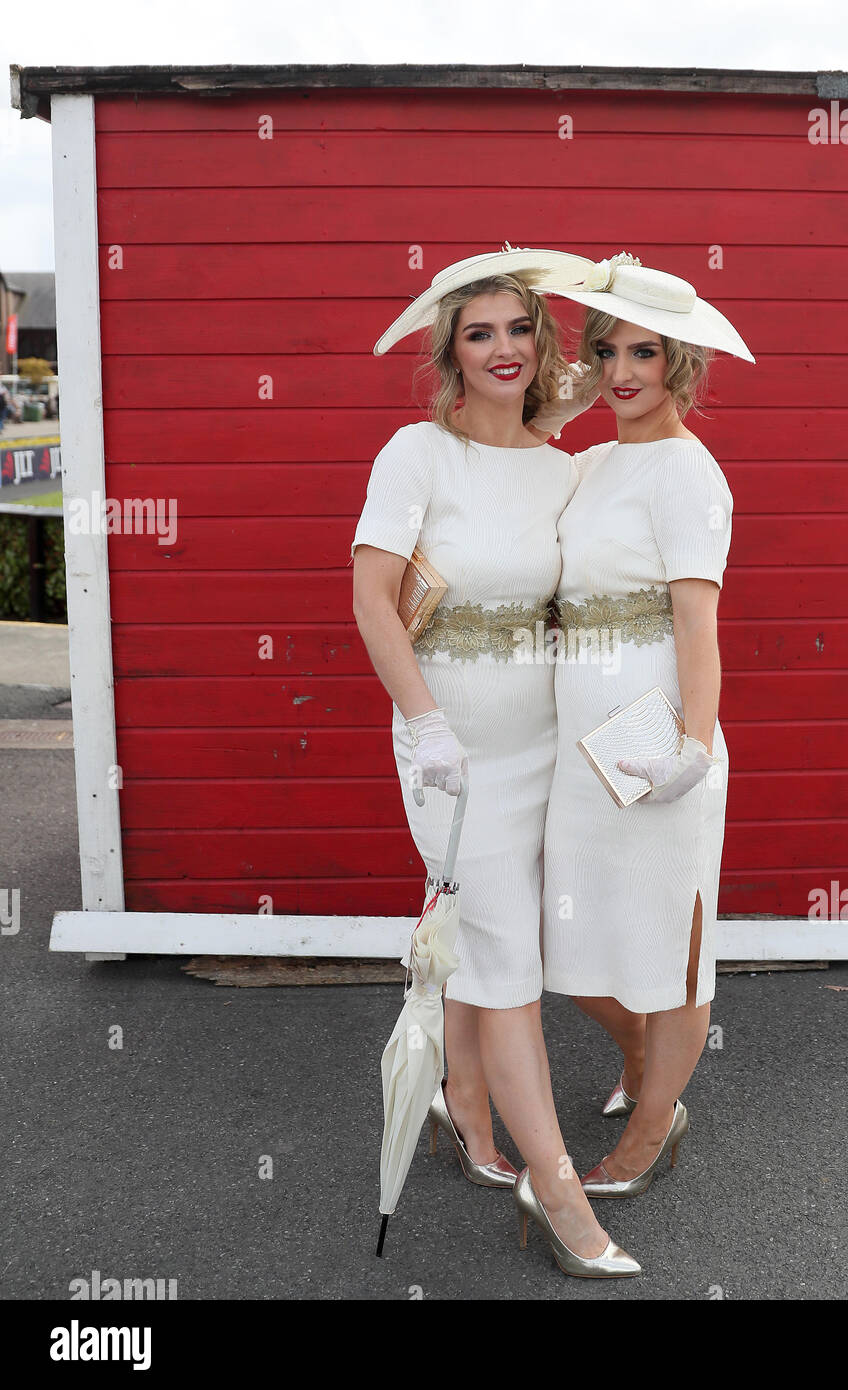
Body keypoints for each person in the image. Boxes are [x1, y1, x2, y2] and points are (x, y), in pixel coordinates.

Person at [351, 247, 640, 1279]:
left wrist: (601, 305)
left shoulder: (562, 467)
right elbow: (371, 600)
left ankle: (461, 1104)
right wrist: (424, 721)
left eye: (520, 328)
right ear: (450, 350)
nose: (504, 348)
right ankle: (554, 1186)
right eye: (479, 333)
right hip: (450, 754)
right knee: (508, 953)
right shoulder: (413, 456)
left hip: (542, 743)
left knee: (491, 934)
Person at [528, 252, 755, 1200]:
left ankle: (654, 1125)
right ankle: (640, 1057)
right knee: (562, 938)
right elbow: (512, 440)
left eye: (646, 354)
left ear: (681, 367)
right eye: (607, 351)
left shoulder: (690, 476)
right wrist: (566, 399)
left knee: (673, 939)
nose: (623, 372)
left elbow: (700, 628)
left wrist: (692, 750)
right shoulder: (587, 462)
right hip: (578, 737)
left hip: (658, 738)